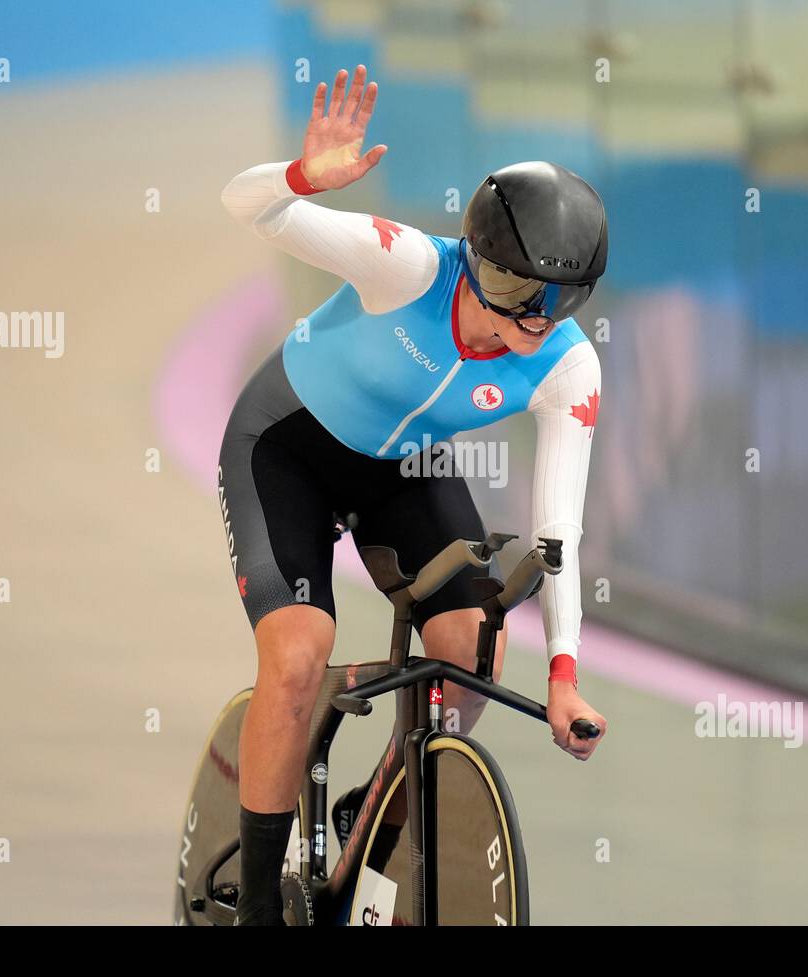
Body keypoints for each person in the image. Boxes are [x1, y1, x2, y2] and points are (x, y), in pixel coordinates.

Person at [218, 64, 609, 925]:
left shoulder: (570, 367)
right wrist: (300, 180)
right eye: (512, 293)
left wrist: (566, 674)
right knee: (294, 661)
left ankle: (372, 807)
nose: (528, 323)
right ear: (475, 263)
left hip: (399, 470)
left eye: (553, 303)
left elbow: (558, 534)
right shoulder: (404, 266)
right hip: (286, 447)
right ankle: (253, 907)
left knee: (471, 656)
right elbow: (244, 206)